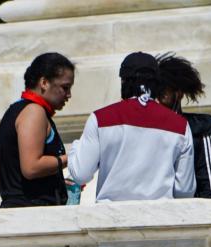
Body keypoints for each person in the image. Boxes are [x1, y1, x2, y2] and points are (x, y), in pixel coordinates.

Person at [67, 52, 195, 202]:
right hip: (160, 218)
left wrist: (76, 147)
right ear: (156, 84)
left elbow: (81, 174)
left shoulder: (100, 118)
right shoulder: (180, 125)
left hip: (111, 217)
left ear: (123, 82)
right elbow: (184, 191)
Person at [0, 52, 75, 208]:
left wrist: (51, 181)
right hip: (33, 214)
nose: (69, 95)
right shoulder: (34, 112)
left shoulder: (13, 111)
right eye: (65, 87)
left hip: (15, 212)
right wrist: (71, 158)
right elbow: (31, 167)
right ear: (44, 82)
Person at [155, 53, 211, 199]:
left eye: (165, 89)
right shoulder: (145, 128)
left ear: (179, 93)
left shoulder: (201, 130)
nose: (159, 94)